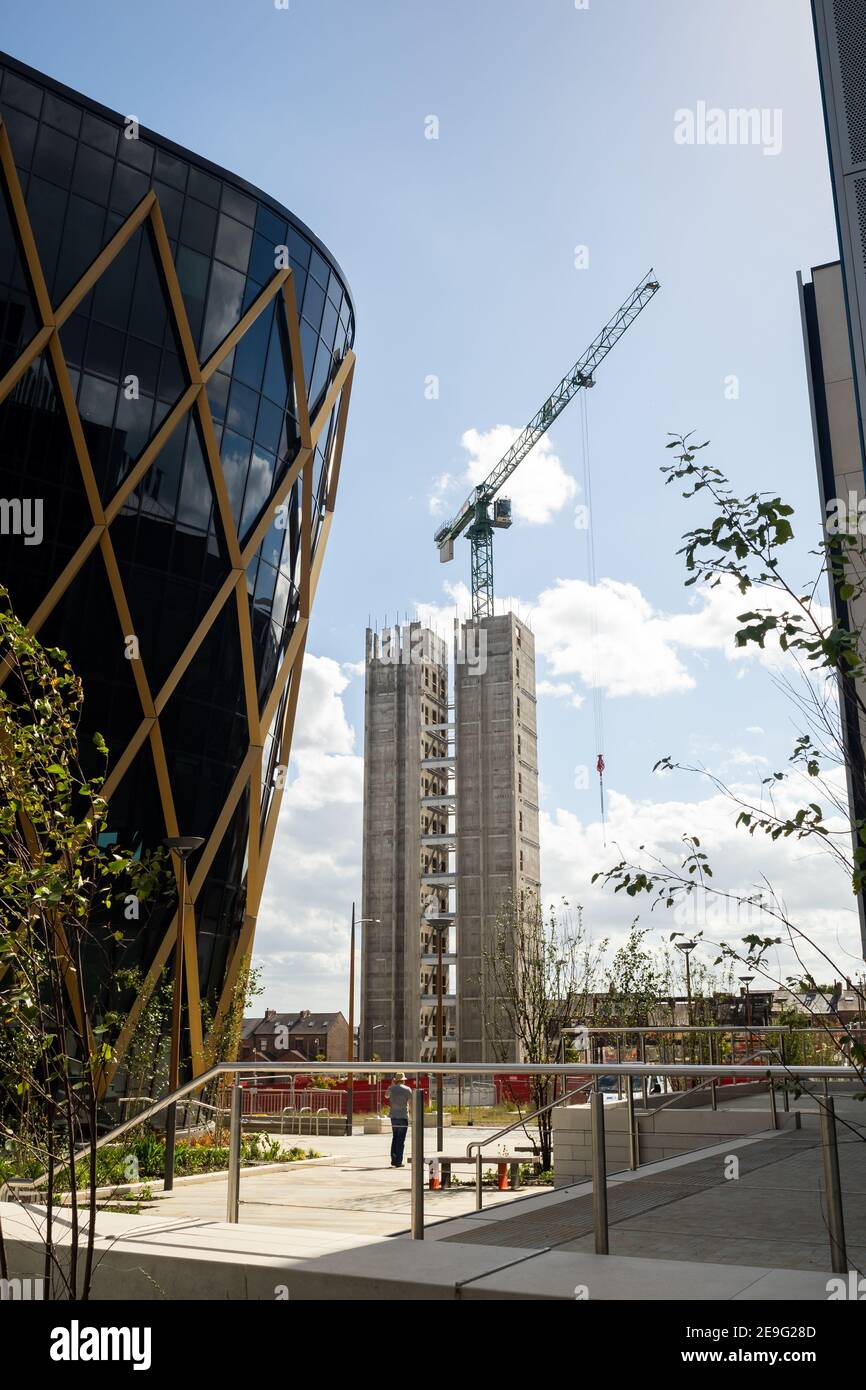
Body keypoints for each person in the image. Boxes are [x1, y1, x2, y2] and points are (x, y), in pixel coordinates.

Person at [387, 1071, 412, 1168]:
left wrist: (391, 1085)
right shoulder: (407, 1089)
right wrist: (412, 1116)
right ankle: (398, 1161)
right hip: (403, 1116)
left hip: (393, 1116)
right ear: (403, 1080)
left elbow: (386, 1095)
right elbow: (410, 1104)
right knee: (401, 1140)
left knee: (395, 1137)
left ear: (396, 1080)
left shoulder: (391, 1089)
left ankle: (393, 1159)